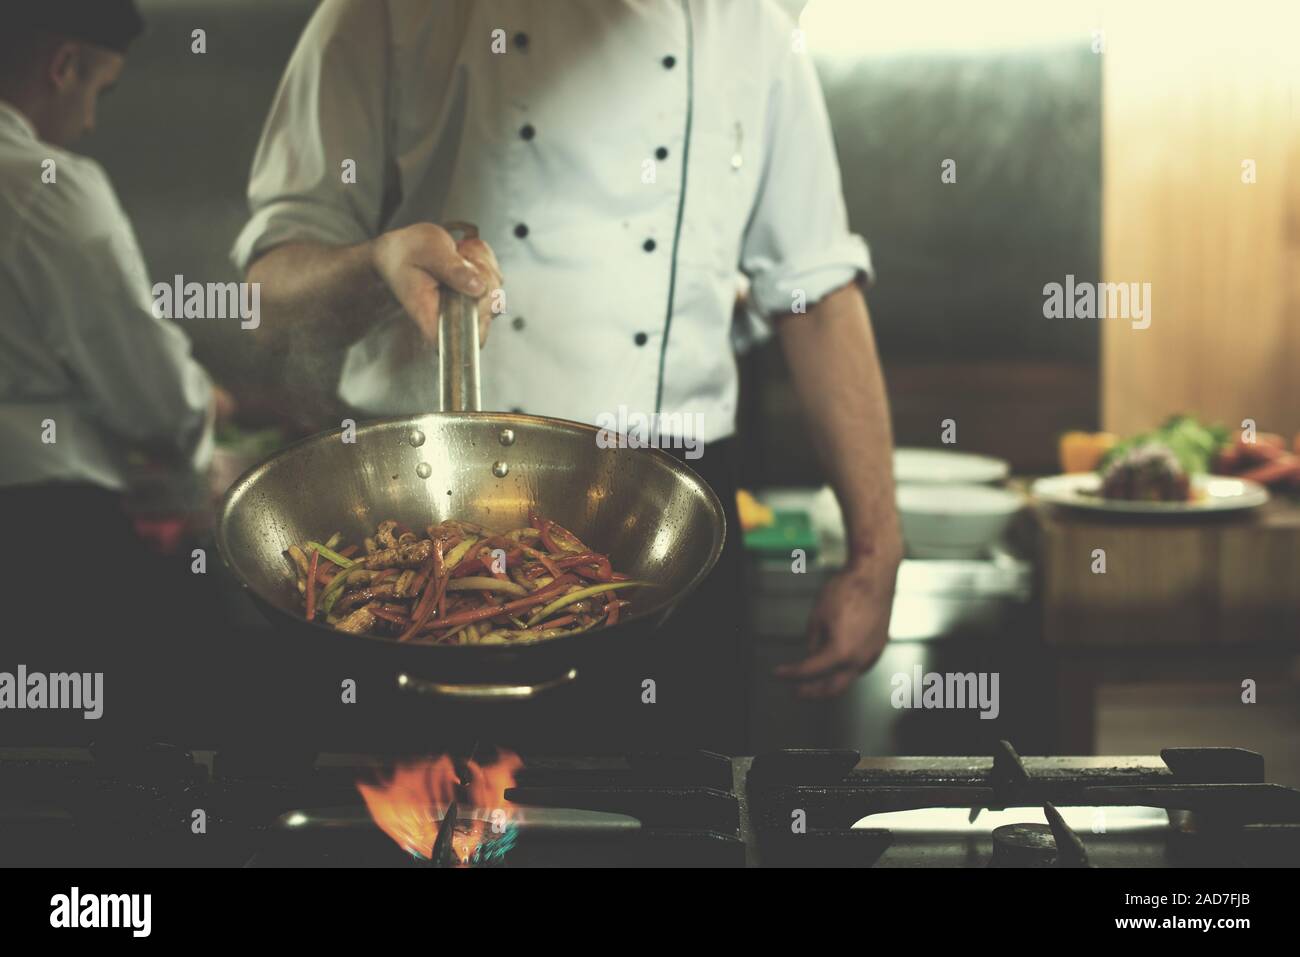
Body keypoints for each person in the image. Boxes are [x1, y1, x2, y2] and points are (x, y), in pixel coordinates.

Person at [236, 0, 902, 751]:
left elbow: (816, 297)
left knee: (676, 823)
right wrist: (372, 266)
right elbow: (267, 300)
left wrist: (876, 552)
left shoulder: (752, 28)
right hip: (415, 511)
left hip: (664, 538)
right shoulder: (386, 12)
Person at [0, 0, 226, 740]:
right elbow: (155, 400)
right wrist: (201, 432)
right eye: (97, 88)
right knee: (128, 762)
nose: (91, 120)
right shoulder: (45, 184)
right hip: (43, 540)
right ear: (62, 66)